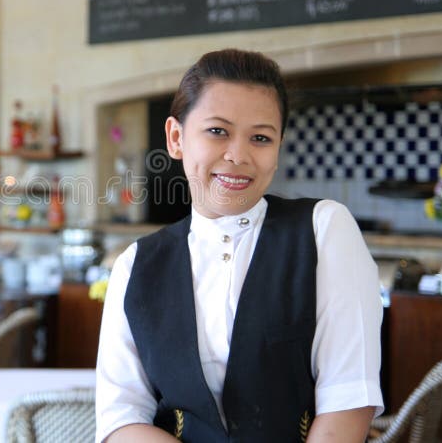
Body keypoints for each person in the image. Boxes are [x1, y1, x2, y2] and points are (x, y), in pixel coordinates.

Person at [95, 48, 383, 442]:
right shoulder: (135, 265)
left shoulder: (323, 230)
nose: (238, 155)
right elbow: (120, 418)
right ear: (176, 138)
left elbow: (349, 397)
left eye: (261, 138)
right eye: (218, 131)